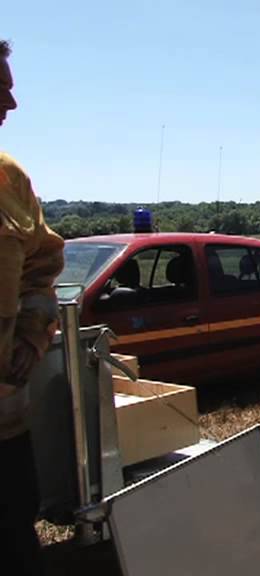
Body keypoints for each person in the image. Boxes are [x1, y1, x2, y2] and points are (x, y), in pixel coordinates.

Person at [0, 38, 66, 576]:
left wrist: (31, 334)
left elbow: (43, 267)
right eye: (1, 90)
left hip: (5, 422)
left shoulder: (10, 179)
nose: (12, 105)